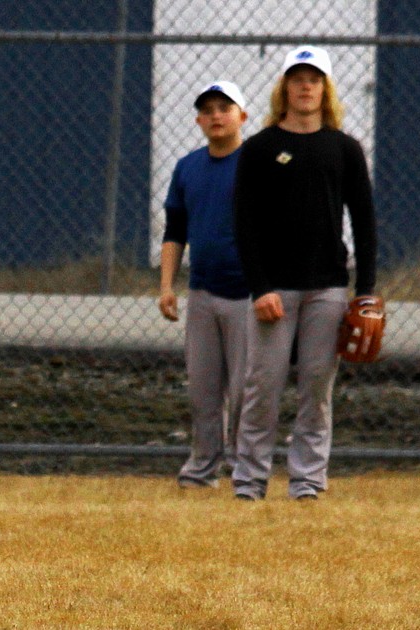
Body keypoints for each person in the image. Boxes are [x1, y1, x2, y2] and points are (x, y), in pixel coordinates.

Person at [230, 46, 377, 501]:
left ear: (325, 89)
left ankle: (307, 481)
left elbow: (365, 220)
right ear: (285, 89)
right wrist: (260, 287)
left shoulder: (345, 148)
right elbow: (244, 222)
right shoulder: (259, 148)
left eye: (314, 79)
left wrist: (366, 291)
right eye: (297, 78)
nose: (306, 86)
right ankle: (249, 481)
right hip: (275, 289)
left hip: (327, 286)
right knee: (263, 386)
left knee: (316, 386)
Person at [158, 80, 251, 488]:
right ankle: (201, 469)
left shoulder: (256, 164)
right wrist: (166, 286)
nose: (216, 116)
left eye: (225, 108)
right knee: (203, 389)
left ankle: (244, 467)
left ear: (242, 116)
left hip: (248, 293)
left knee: (247, 388)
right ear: (198, 120)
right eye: (208, 110)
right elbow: (175, 230)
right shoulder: (188, 167)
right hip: (202, 291)